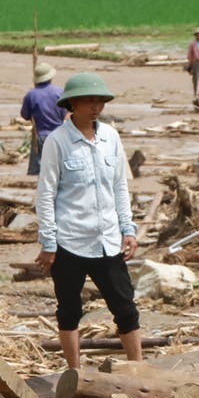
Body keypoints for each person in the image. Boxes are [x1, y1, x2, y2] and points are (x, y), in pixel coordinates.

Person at [34, 72, 142, 365]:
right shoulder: (57, 142)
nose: (96, 107)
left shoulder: (110, 137)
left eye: (100, 101)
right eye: (89, 101)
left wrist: (128, 229)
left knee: (126, 309)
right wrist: (49, 242)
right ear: (72, 104)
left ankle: (138, 370)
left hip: (107, 240)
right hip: (70, 241)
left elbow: (120, 186)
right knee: (69, 311)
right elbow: (46, 194)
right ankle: (75, 373)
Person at [20, 61, 65, 176]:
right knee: (58, 169)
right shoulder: (59, 92)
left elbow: (25, 115)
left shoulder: (31, 95)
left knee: (39, 171)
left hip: (39, 136)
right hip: (59, 134)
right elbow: (65, 113)